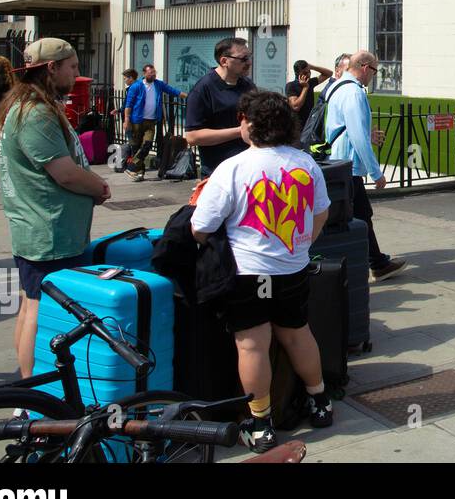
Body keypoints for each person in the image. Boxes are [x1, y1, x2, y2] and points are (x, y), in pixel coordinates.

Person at [190, 91, 333, 453]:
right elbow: (321, 214)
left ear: (250, 125)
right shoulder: (306, 165)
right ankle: (320, 401)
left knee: (252, 344)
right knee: (298, 334)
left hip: (249, 273)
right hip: (293, 268)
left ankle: (261, 422)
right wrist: (301, 245)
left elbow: (200, 227)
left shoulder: (233, 168)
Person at [0, 39, 110, 378]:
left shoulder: (28, 105)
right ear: (51, 68)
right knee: (38, 310)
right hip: (48, 231)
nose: (77, 73)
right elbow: (64, 173)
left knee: (31, 304)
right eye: (72, 66)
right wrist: (98, 187)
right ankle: (34, 393)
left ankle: (28, 386)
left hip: (43, 229)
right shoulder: (36, 112)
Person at [325, 50, 407, 283]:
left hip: (338, 162)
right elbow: (358, 136)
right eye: (374, 70)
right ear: (364, 67)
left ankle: (376, 261)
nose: (374, 75)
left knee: (357, 214)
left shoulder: (337, 88)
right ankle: (375, 264)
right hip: (347, 165)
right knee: (358, 215)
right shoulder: (353, 93)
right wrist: (376, 171)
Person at [184, 37, 257, 177]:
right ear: (224, 61)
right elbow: (192, 137)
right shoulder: (203, 89)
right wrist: (239, 131)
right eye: (244, 58)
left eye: (249, 57)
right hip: (217, 173)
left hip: (248, 170)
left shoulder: (248, 85)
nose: (249, 62)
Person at [123, 63, 182, 181]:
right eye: (151, 73)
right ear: (145, 73)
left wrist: (189, 96)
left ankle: (131, 167)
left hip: (151, 121)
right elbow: (128, 105)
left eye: (154, 73)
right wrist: (126, 120)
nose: (153, 75)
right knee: (136, 147)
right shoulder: (136, 86)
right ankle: (139, 172)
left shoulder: (158, 84)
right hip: (137, 121)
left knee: (147, 145)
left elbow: (172, 90)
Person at [285, 59, 336, 130]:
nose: (308, 74)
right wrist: (305, 88)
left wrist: (312, 67)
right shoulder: (291, 85)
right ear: (298, 74)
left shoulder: (311, 82)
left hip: (309, 124)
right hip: (296, 126)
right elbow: (295, 106)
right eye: (305, 73)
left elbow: (329, 73)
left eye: (309, 72)